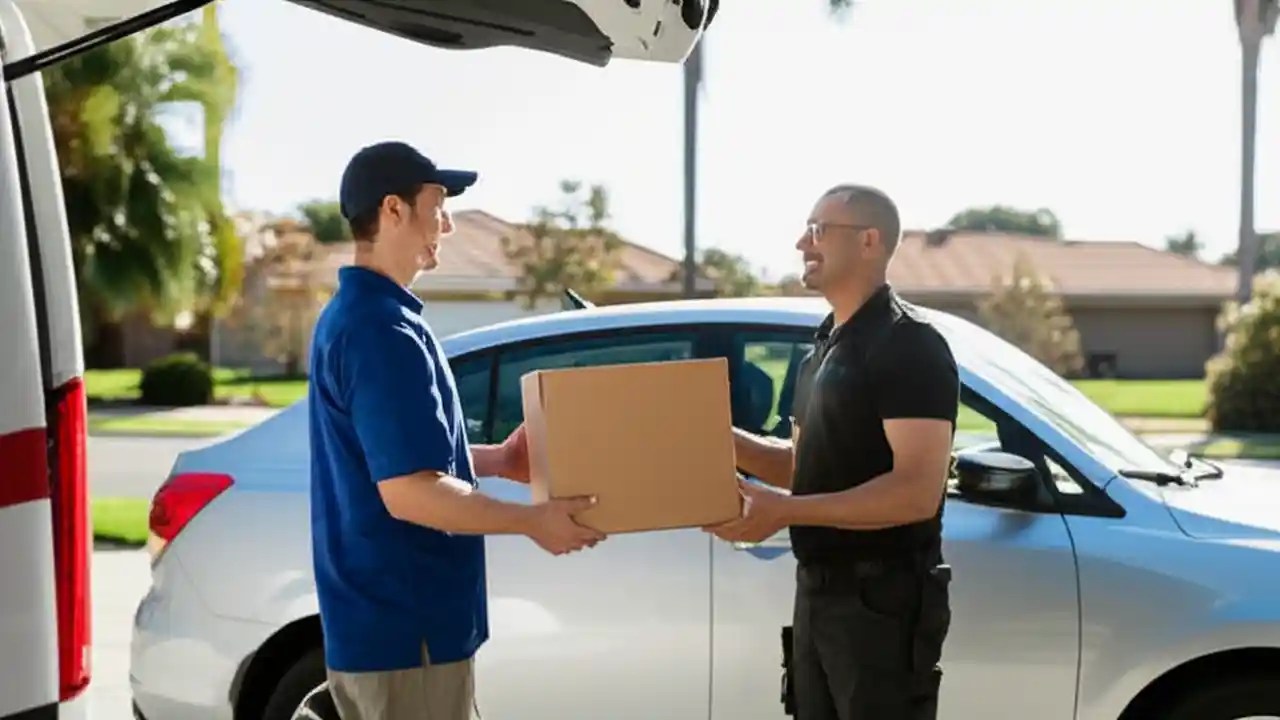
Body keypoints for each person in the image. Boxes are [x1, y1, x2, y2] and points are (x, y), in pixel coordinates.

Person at [308, 140, 606, 720]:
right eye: (438, 206)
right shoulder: (380, 331)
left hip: (397, 631)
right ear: (393, 210)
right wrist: (532, 521)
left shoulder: (364, 318)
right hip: (407, 633)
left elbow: (396, 459)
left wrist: (495, 460)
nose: (446, 224)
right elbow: (408, 491)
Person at [706, 184, 959, 720]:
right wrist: (715, 439)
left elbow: (916, 492)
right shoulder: (822, 348)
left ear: (869, 241)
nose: (803, 243)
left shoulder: (908, 344)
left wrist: (785, 510)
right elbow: (806, 468)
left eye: (819, 230)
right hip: (818, 595)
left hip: (882, 605)